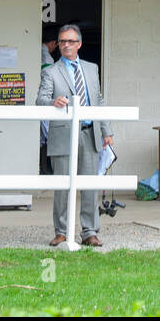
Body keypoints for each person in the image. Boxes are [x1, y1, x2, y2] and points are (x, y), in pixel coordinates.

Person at [37, 24, 113, 246]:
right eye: (62, 41)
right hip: (63, 134)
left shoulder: (91, 68)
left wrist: (106, 130)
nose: (66, 45)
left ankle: (89, 231)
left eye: (70, 41)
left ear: (79, 44)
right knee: (63, 186)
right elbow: (40, 99)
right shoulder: (50, 71)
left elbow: (98, 100)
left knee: (90, 185)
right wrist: (53, 102)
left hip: (89, 134)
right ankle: (61, 231)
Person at [38, 27, 59, 176]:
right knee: (47, 138)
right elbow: (50, 84)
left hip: (36, 100)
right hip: (44, 101)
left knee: (41, 139)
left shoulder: (35, 51)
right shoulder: (48, 59)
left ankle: (43, 168)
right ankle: (46, 169)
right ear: (52, 43)